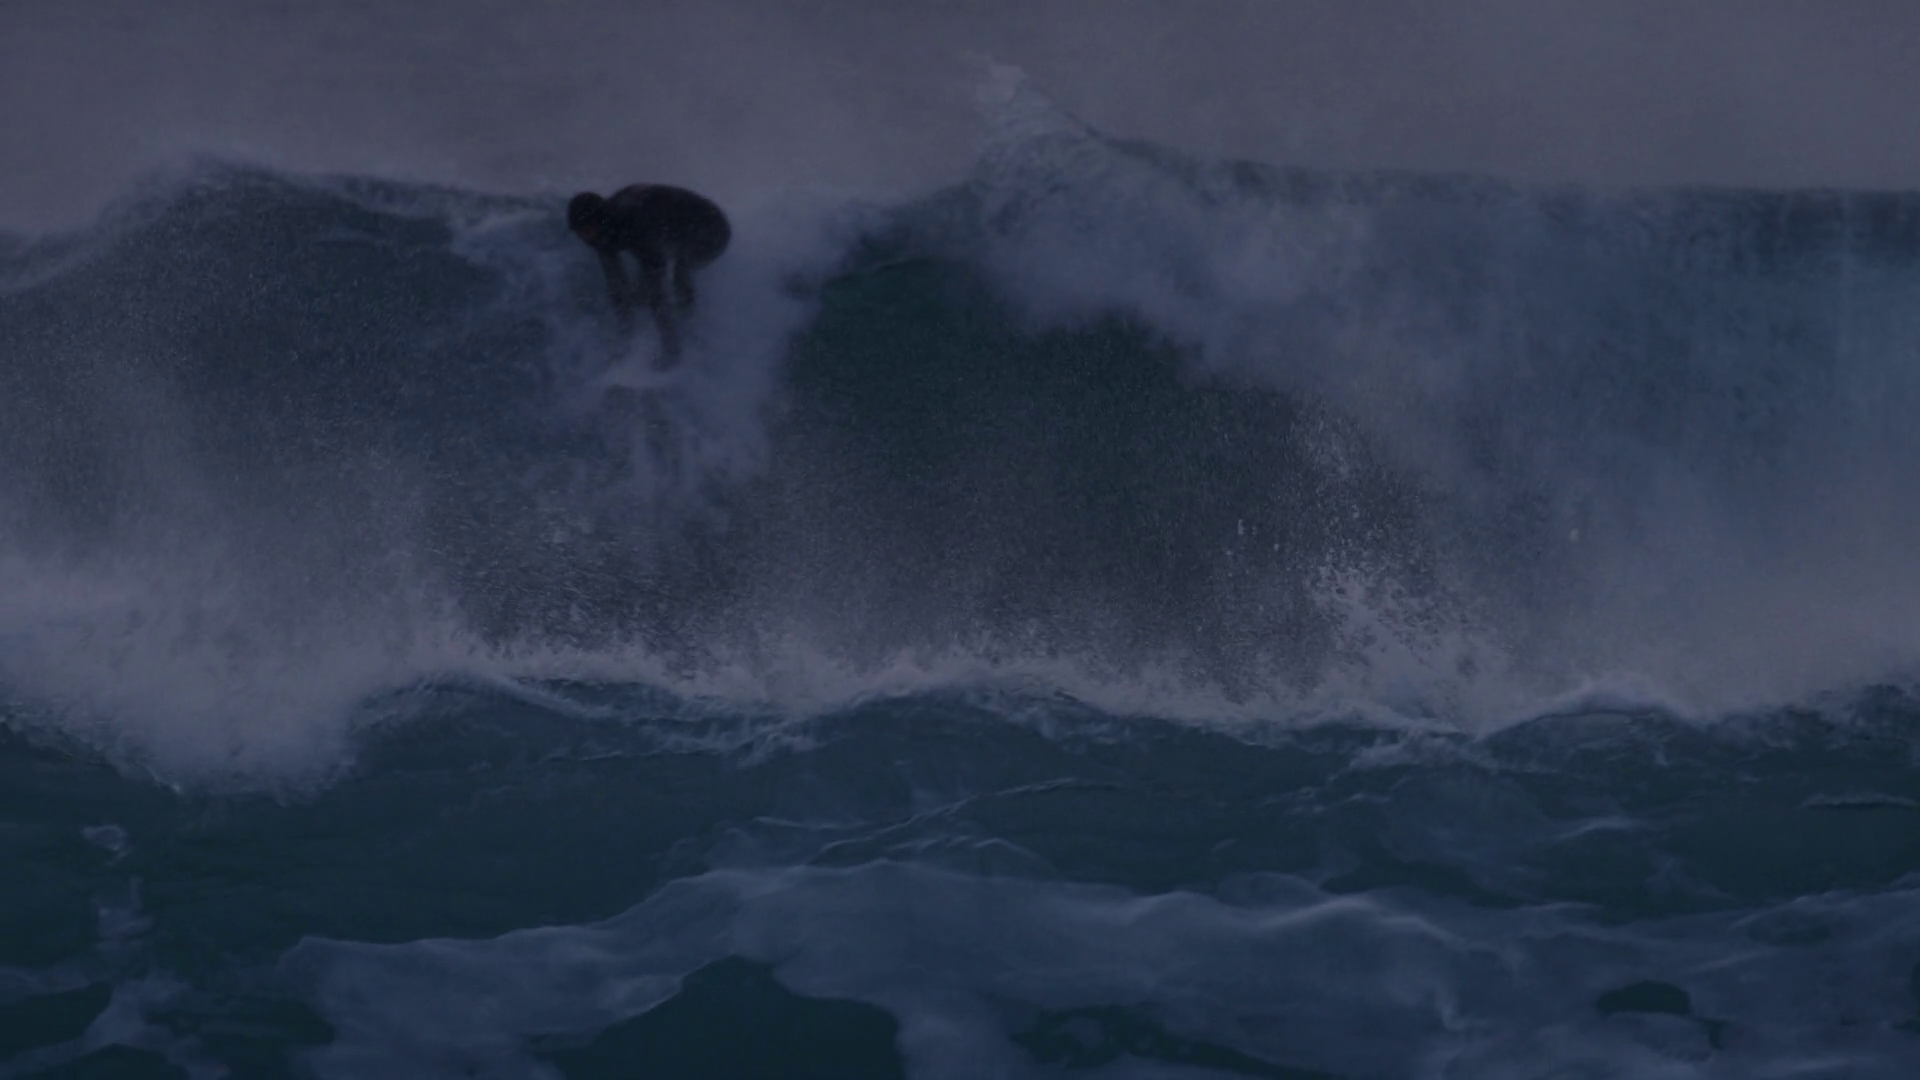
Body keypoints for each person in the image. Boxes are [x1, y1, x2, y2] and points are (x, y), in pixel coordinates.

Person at [567, 184, 731, 363]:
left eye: (587, 230)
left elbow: (656, 287)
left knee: (677, 273)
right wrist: (623, 339)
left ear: (599, 221)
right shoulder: (601, 232)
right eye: (580, 232)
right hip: (676, 228)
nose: (584, 238)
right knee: (637, 292)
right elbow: (616, 285)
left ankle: (681, 340)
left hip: (713, 228)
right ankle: (649, 338)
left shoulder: (635, 224)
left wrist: (669, 348)